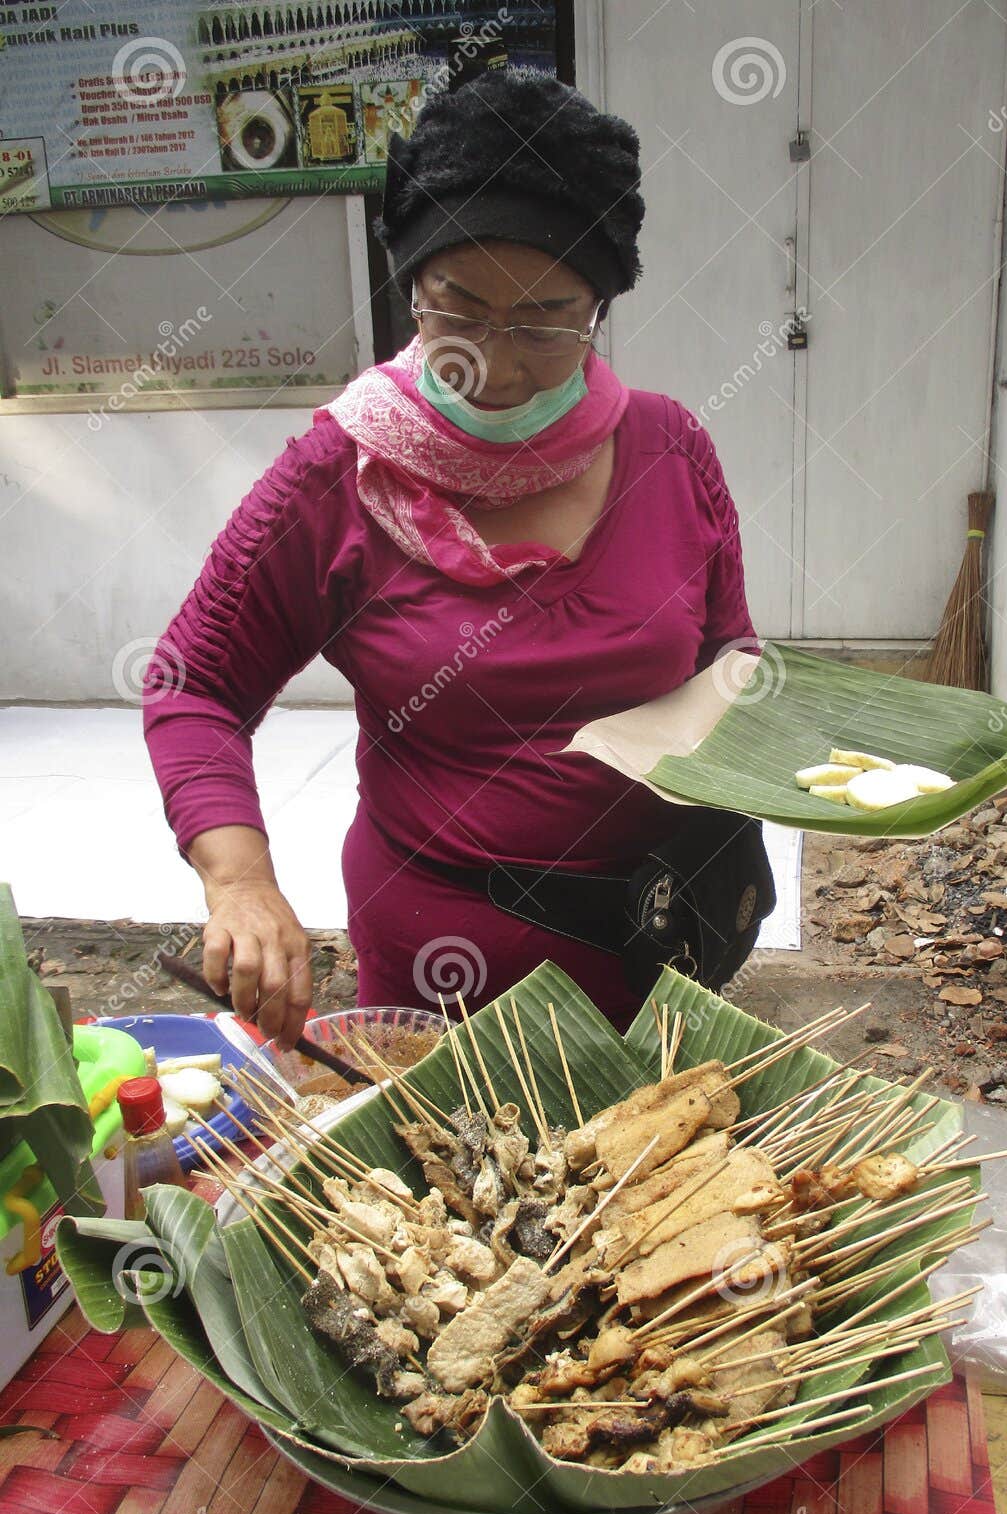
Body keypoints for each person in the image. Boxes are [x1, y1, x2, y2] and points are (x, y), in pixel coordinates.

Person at [143, 68, 757, 1050]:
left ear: (600, 304)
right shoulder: (339, 476)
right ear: (411, 287)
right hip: (438, 974)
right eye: (457, 310)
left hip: (659, 951)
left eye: (546, 321)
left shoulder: (671, 450)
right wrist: (241, 882)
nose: (496, 364)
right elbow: (195, 683)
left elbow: (729, 658)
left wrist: (805, 761)